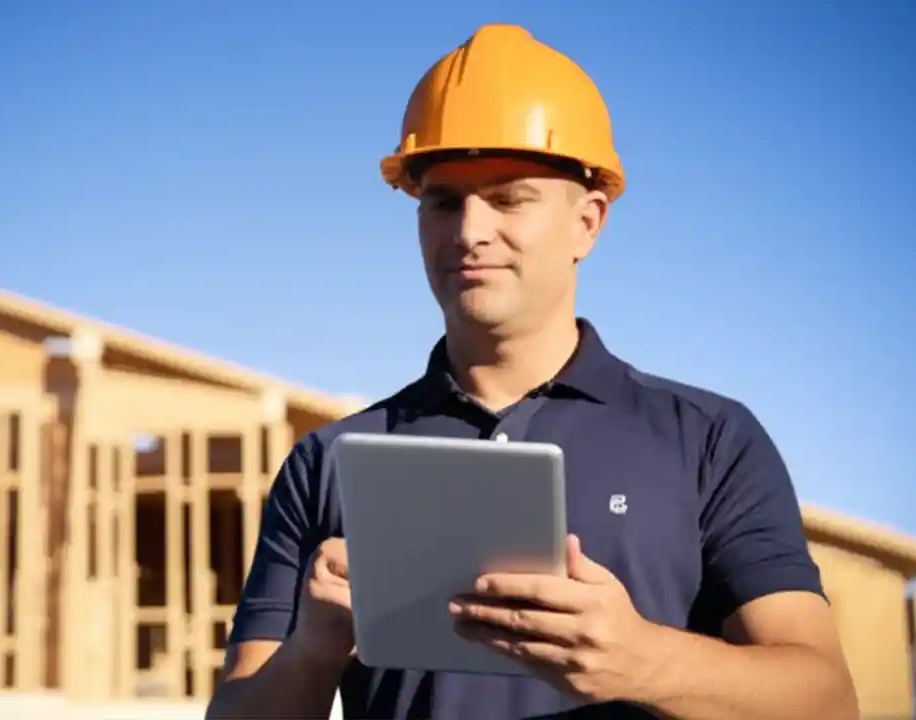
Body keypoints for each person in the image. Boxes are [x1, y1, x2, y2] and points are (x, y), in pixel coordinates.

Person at [205, 23, 859, 720]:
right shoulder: (330, 462)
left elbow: (826, 701)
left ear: (588, 222)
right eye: (444, 201)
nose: (469, 232)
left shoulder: (708, 440)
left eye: (510, 198)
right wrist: (313, 650)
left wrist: (643, 660)